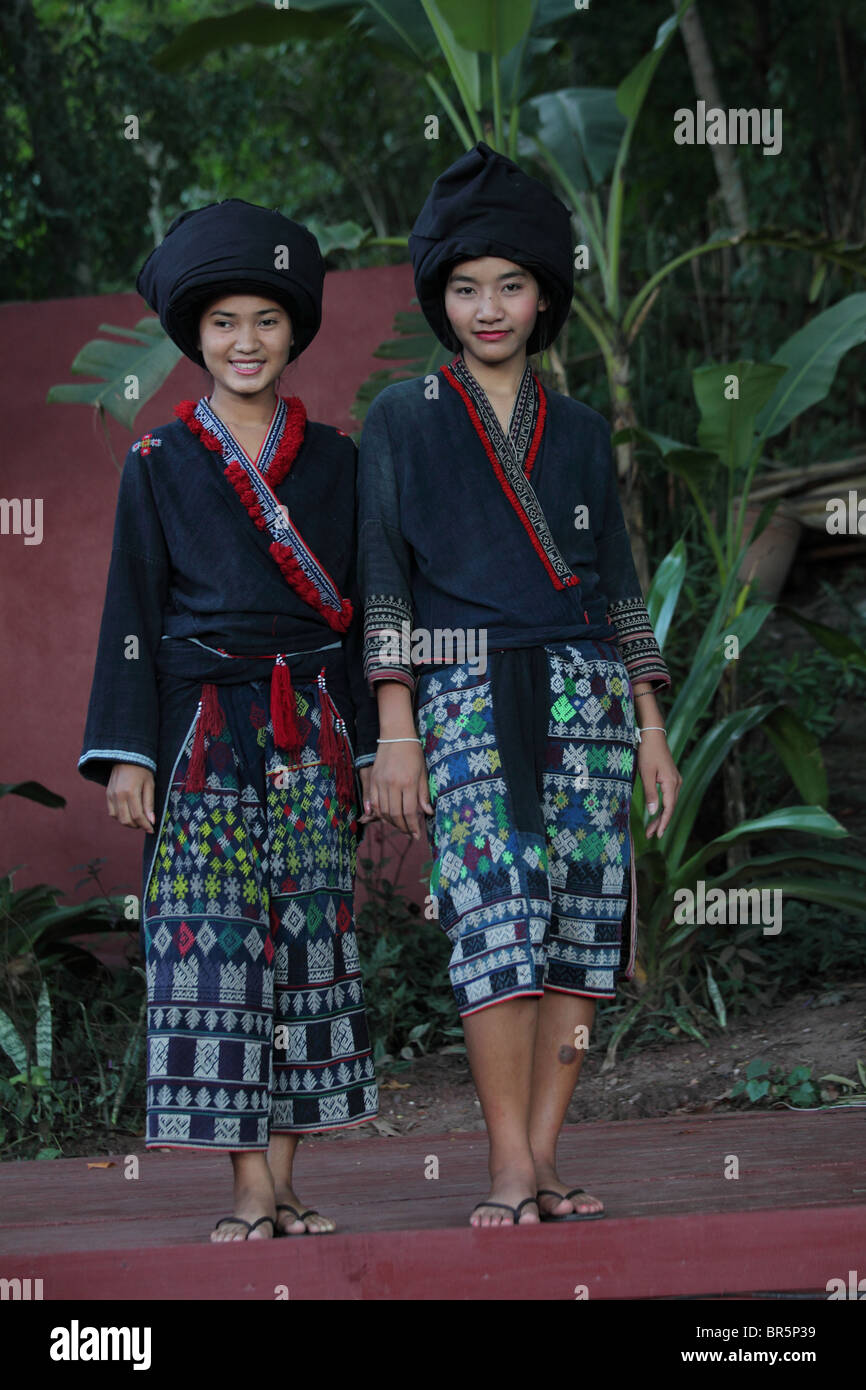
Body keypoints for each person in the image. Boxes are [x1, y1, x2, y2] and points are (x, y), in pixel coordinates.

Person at [358, 143, 682, 1227]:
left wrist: (649, 724)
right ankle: (502, 1159)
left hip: (584, 701)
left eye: (507, 284)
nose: (486, 307)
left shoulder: (583, 432)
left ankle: (544, 1154)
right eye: (463, 287)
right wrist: (393, 728)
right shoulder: (401, 418)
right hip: (462, 703)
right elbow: (382, 581)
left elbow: (622, 588)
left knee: (580, 936)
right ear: (438, 298)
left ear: (543, 294)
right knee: (493, 924)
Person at [79, 198, 379, 1241]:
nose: (243, 341)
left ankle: (285, 1181)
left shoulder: (341, 461)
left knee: (306, 948)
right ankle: (249, 1187)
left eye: (263, 319)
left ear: (293, 331)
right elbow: (131, 611)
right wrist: (127, 753)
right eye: (221, 323)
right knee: (218, 957)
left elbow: (368, 609)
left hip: (312, 732)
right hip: (199, 733)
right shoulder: (159, 462)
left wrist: (377, 748)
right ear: (193, 338)